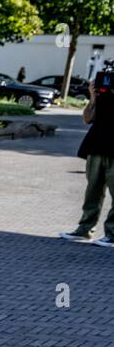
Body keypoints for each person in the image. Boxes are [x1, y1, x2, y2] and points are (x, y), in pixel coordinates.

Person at [59, 80, 114, 246]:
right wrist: (93, 97)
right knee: (93, 192)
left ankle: (112, 234)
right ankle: (84, 230)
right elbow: (87, 119)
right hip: (96, 148)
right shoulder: (102, 98)